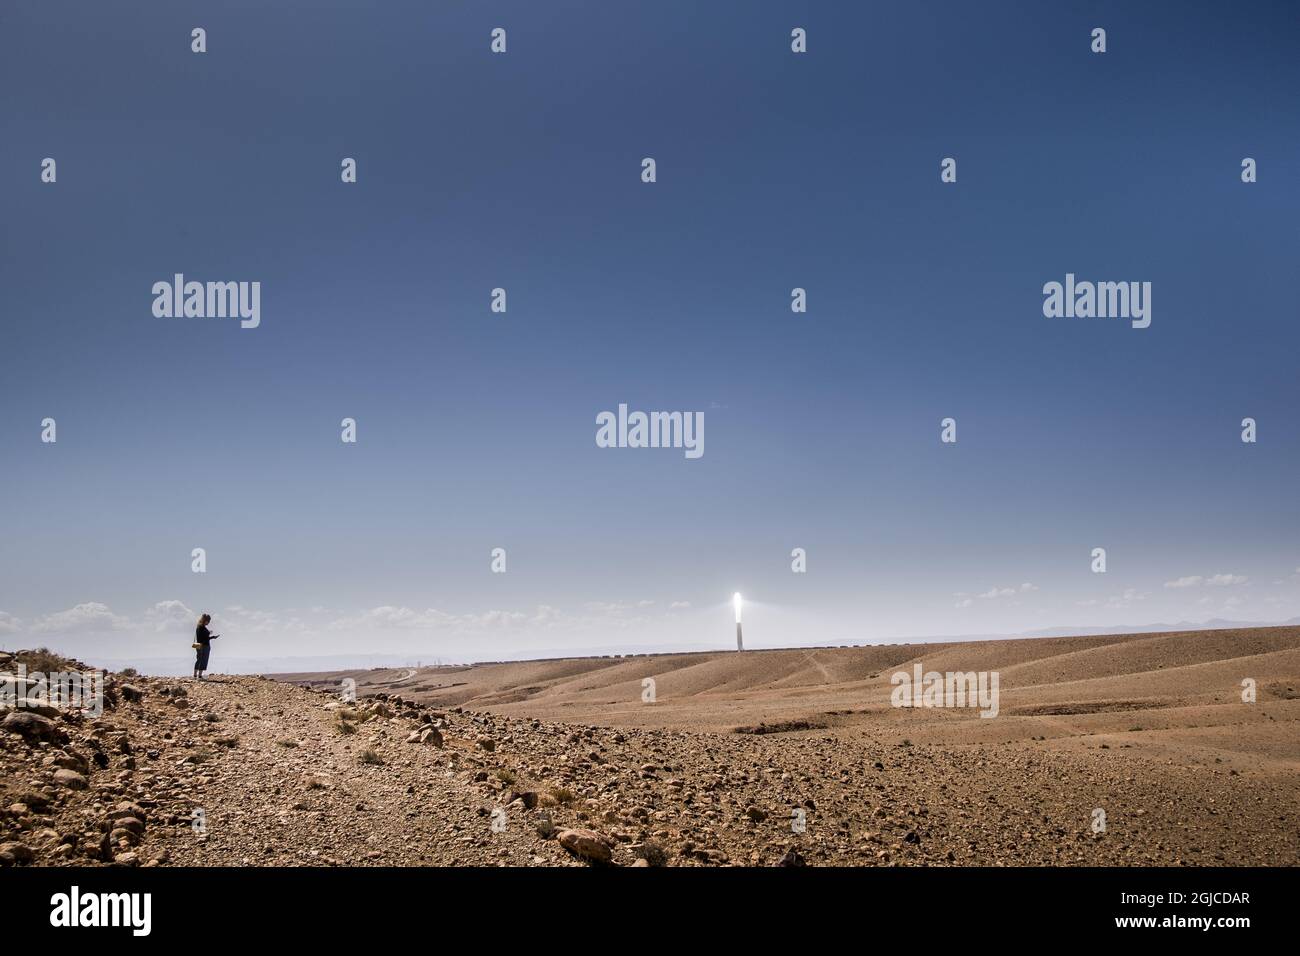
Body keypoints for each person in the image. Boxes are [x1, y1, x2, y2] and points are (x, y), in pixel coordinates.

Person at [194, 613, 219, 680]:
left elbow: (200, 638)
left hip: (198, 645)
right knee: (203, 660)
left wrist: (212, 636)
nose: (208, 622)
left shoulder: (198, 627)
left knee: (198, 660)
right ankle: (200, 676)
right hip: (204, 646)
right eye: (208, 621)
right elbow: (204, 639)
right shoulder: (203, 628)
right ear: (206, 620)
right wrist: (210, 634)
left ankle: (195, 675)